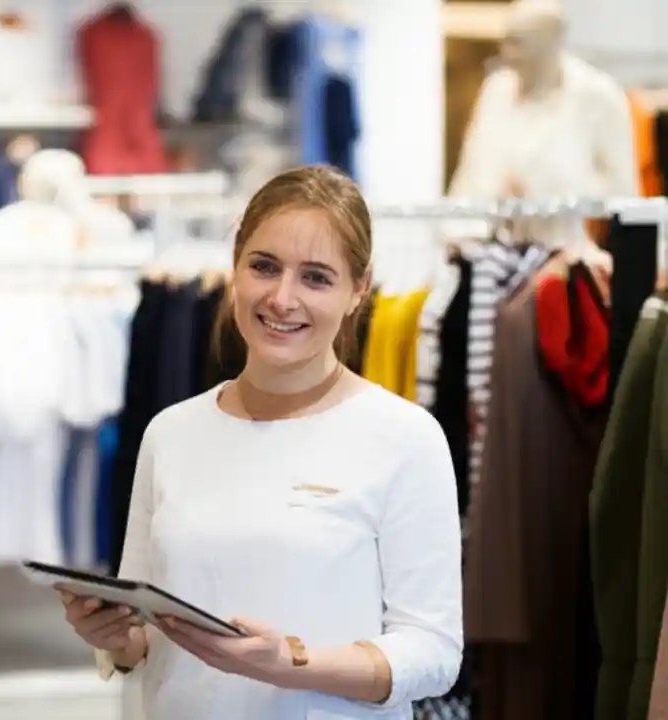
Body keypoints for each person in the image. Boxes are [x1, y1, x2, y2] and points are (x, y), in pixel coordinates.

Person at [59, 165, 463, 718]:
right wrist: (113, 636)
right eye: (264, 267)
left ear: (358, 289)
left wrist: (291, 663)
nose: (282, 298)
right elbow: (145, 635)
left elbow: (434, 653)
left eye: (316, 278)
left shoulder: (404, 437)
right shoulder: (170, 433)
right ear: (235, 267)